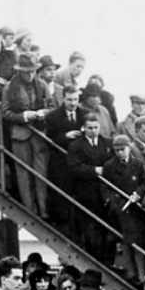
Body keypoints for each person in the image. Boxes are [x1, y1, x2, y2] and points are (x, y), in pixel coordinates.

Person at [54, 97, 109, 255]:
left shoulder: (106, 143)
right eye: (90, 128)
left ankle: (103, 255)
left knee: (103, 227)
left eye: (96, 127)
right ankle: (91, 254)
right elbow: (74, 168)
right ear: (83, 128)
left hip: (103, 192)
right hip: (84, 193)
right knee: (88, 227)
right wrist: (95, 170)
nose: (94, 131)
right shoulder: (75, 146)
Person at [0, 54, 53, 216]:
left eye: (32, 72)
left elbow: (52, 107)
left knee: (41, 173)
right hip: (19, 135)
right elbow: (5, 112)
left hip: (39, 135)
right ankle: (30, 211)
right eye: (26, 72)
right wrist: (23, 116)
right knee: (23, 175)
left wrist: (43, 112)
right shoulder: (9, 87)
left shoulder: (42, 85)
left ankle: (44, 212)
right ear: (19, 71)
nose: (30, 75)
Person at [101, 136, 145, 284]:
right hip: (119, 209)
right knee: (127, 241)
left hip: (135, 209)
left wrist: (138, 194)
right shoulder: (109, 166)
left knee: (137, 242)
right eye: (116, 150)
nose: (120, 153)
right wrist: (112, 202)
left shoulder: (137, 164)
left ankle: (141, 274)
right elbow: (104, 187)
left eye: (122, 149)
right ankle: (132, 273)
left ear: (129, 148)